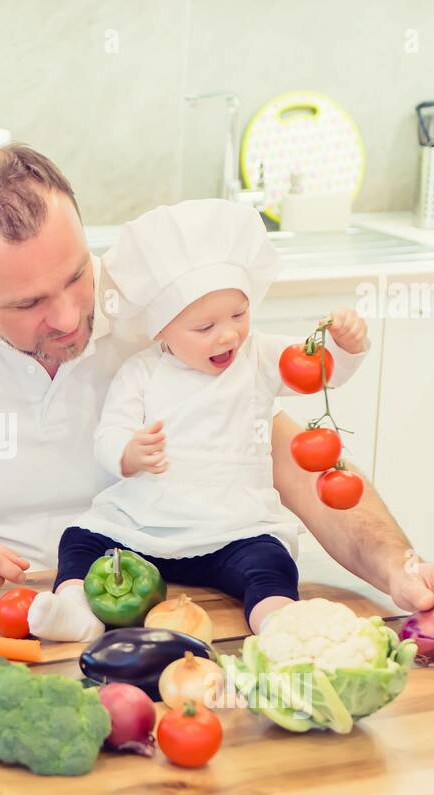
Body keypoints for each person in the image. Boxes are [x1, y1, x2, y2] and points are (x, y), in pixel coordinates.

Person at [0, 144, 434, 648]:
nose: (72, 318)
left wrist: (404, 566)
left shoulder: (160, 314)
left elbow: (298, 462)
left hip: (189, 622)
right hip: (14, 634)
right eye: (29, 303)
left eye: (76, 276)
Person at [31, 199, 369, 643]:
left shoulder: (259, 356)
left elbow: (319, 371)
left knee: (271, 562)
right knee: (80, 540)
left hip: (235, 529)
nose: (228, 334)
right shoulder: (142, 372)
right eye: (205, 327)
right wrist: (127, 453)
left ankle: (278, 623)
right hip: (145, 528)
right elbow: (109, 434)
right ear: (161, 330)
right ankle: (76, 611)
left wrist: (345, 347)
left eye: (238, 314)